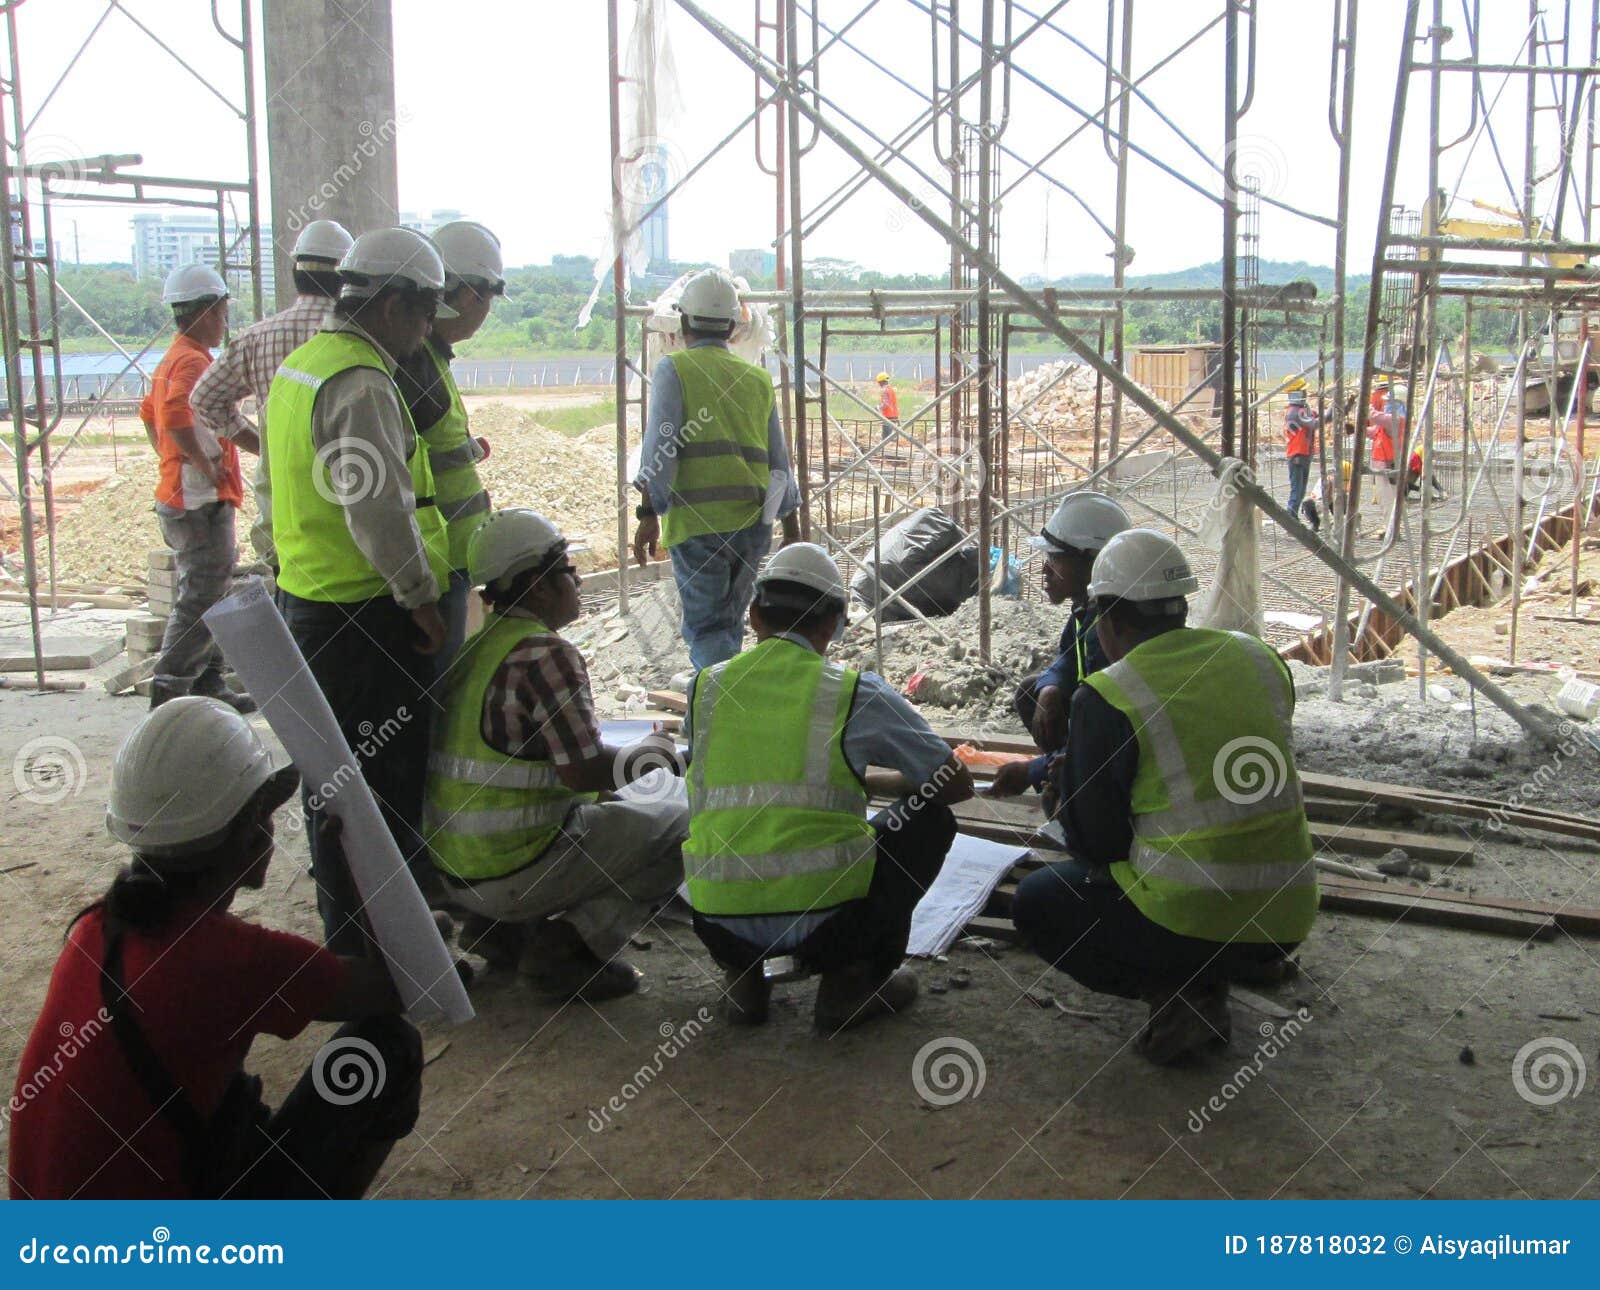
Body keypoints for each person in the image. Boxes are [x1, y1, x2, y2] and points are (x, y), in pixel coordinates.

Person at [6, 699, 423, 1199]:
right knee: (387, 1047)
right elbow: (398, 986)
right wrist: (356, 859)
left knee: (235, 1097)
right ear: (252, 836)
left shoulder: (97, 925)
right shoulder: (235, 961)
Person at [1010, 529, 1318, 1065]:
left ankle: (1180, 994)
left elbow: (1097, 844)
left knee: (1040, 902)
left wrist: (1063, 793)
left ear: (1107, 619)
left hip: (1189, 919)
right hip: (1283, 918)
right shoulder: (1261, 659)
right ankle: (1239, 966)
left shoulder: (1111, 694)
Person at [682, 543, 974, 1031]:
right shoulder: (852, 690)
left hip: (716, 924)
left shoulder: (705, 688)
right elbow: (953, 783)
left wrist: (857, 775)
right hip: (830, 929)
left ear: (753, 614)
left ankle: (744, 977)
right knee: (928, 820)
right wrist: (898, 782)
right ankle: (851, 985)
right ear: (834, 623)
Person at [265, 226, 452, 953]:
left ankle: (353, 941)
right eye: (426, 310)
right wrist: (420, 597)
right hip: (367, 620)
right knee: (381, 791)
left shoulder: (303, 367)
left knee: (336, 785)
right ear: (394, 305)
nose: (428, 328)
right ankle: (382, 954)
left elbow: (275, 490)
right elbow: (378, 509)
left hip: (310, 604)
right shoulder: (362, 383)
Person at [424, 509, 687, 1002]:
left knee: (604, 811)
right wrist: (658, 755)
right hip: (513, 870)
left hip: (456, 872)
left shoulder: (475, 649)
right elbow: (582, 770)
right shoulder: (546, 655)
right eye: (567, 568)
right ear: (539, 586)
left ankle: (497, 932)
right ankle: (567, 952)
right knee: (677, 826)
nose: (579, 579)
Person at [631, 268, 801, 672]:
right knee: (729, 625)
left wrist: (647, 514)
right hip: (751, 529)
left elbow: (660, 447)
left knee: (708, 630)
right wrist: (791, 527)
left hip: (697, 526)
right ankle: (731, 703)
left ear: (685, 321)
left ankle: (718, 712)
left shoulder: (674, 370)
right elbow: (780, 463)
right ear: (732, 325)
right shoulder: (758, 380)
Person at [190, 219, 354, 569]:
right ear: (346, 277)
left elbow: (204, 399)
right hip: (349, 503)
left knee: (291, 601)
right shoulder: (361, 337)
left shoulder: (257, 337)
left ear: (296, 271)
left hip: (283, 508)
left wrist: (260, 444)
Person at [140, 264, 252, 712]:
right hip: (198, 500)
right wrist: (204, 464)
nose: (224, 323)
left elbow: (149, 416)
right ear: (206, 312)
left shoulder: (175, 356)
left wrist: (171, 455)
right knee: (202, 593)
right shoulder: (191, 361)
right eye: (223, 314)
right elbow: (171, 416)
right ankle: (168, 689)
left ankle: (208, 681)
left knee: (213, 587)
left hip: (184, 494)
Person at [394, 220, 501, 675]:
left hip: (444, 557)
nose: (486, 312)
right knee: (437, 684)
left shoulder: (427, 357)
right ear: (467, 296)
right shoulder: (416, 362)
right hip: (436, 559)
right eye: (489, 300)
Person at [991, 492, 1130, 801]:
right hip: (1095, 727)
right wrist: (1051, 689)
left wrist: (1032, 771)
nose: (1044, 569)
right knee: (1033, 691)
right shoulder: (1088, 609)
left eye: (1055, 557)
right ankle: (1065, 779)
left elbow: (1108, 734)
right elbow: (1068, 657)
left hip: (1116, 751)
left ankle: (1073, 787)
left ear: (1093, 562)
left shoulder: (1114, 632)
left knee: (1082, 706)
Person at [1281, 378, 1324, 519]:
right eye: (1303, 390)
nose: (1305, 392)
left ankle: (1293, 518)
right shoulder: (1293, 412)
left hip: (1304, 454)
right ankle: (1291, 519)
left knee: (1301, 490)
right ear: (1296, 393)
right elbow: (1313, 423)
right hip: (1296, 455)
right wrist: (1330, 414)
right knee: (1297, 491)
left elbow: (1312, 417)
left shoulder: (1302, 409)